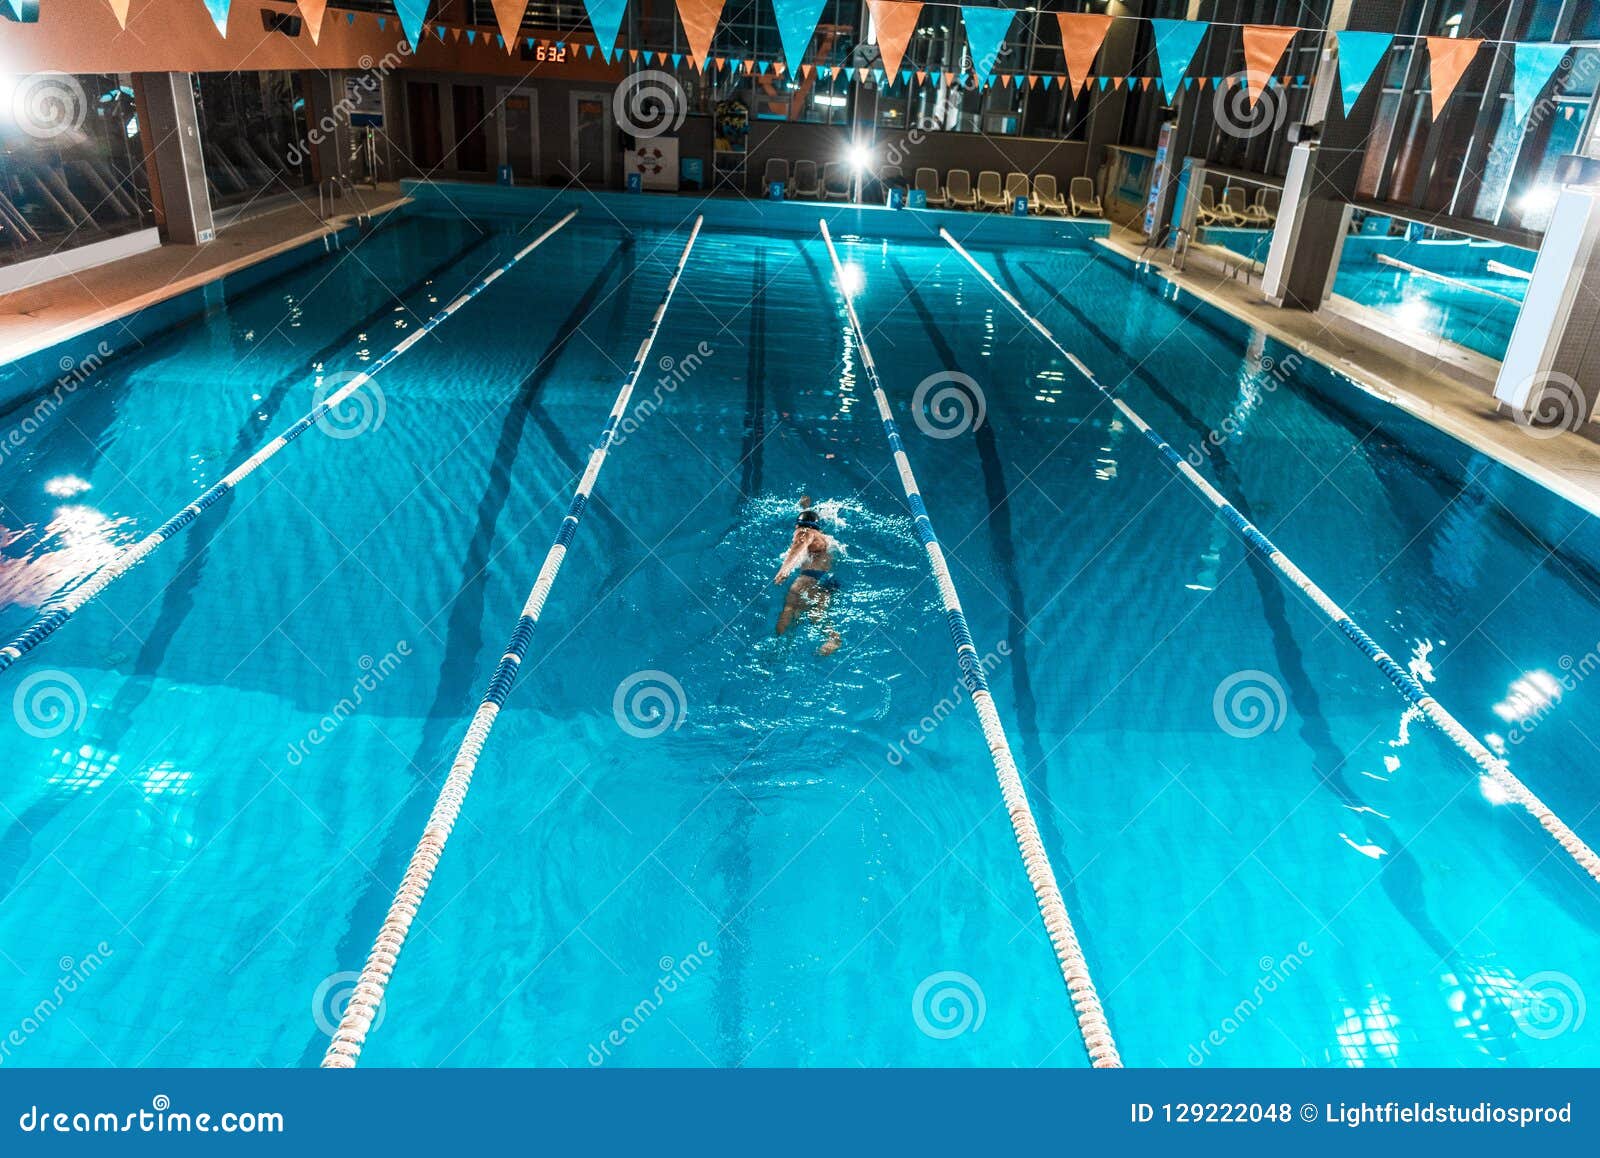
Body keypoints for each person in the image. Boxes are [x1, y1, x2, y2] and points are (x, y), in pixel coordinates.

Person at [773, 495, 842, 656]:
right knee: (818, 615)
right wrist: (806, 508)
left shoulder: (804, 531)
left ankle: (776, 648)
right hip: (828, 581)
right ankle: (834, 638)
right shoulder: (824, 538)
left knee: (789, 610)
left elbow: (800, 544)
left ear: (798, 525)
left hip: (809, 578)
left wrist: (785, 569)